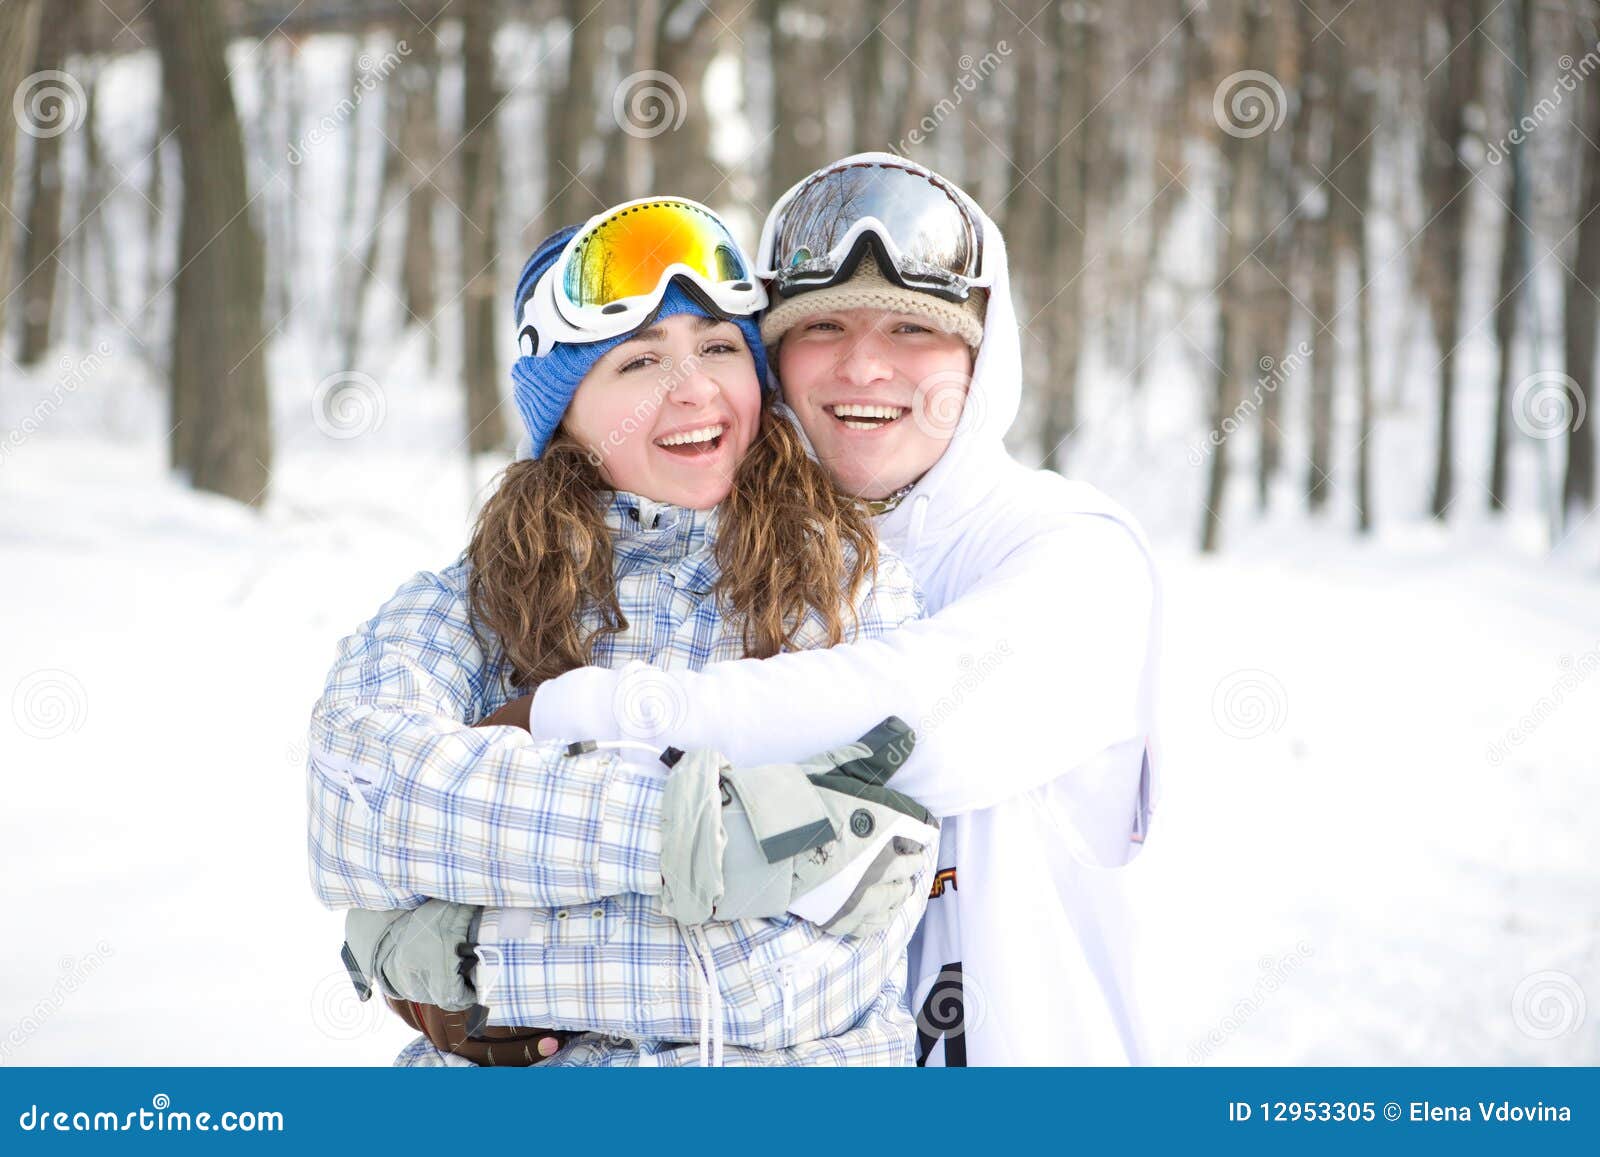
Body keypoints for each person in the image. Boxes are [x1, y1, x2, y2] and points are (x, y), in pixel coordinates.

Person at [517, 154, 1164, 1065]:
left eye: (913, 327)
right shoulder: (701, 559)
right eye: (822, 325)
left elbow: (921, 727)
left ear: (982, 355)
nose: (865, 365)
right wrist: (449, 966)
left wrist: (574, 712)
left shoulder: (1075, 551)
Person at [307, 197, 940, 1067]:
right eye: (639, 362)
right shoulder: (478, 598)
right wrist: (702, 836)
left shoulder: (852, 591)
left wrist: (468, 950)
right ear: (564, 410)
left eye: (720, 347)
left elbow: (786, 977)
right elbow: (364, 787)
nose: (693, 390)